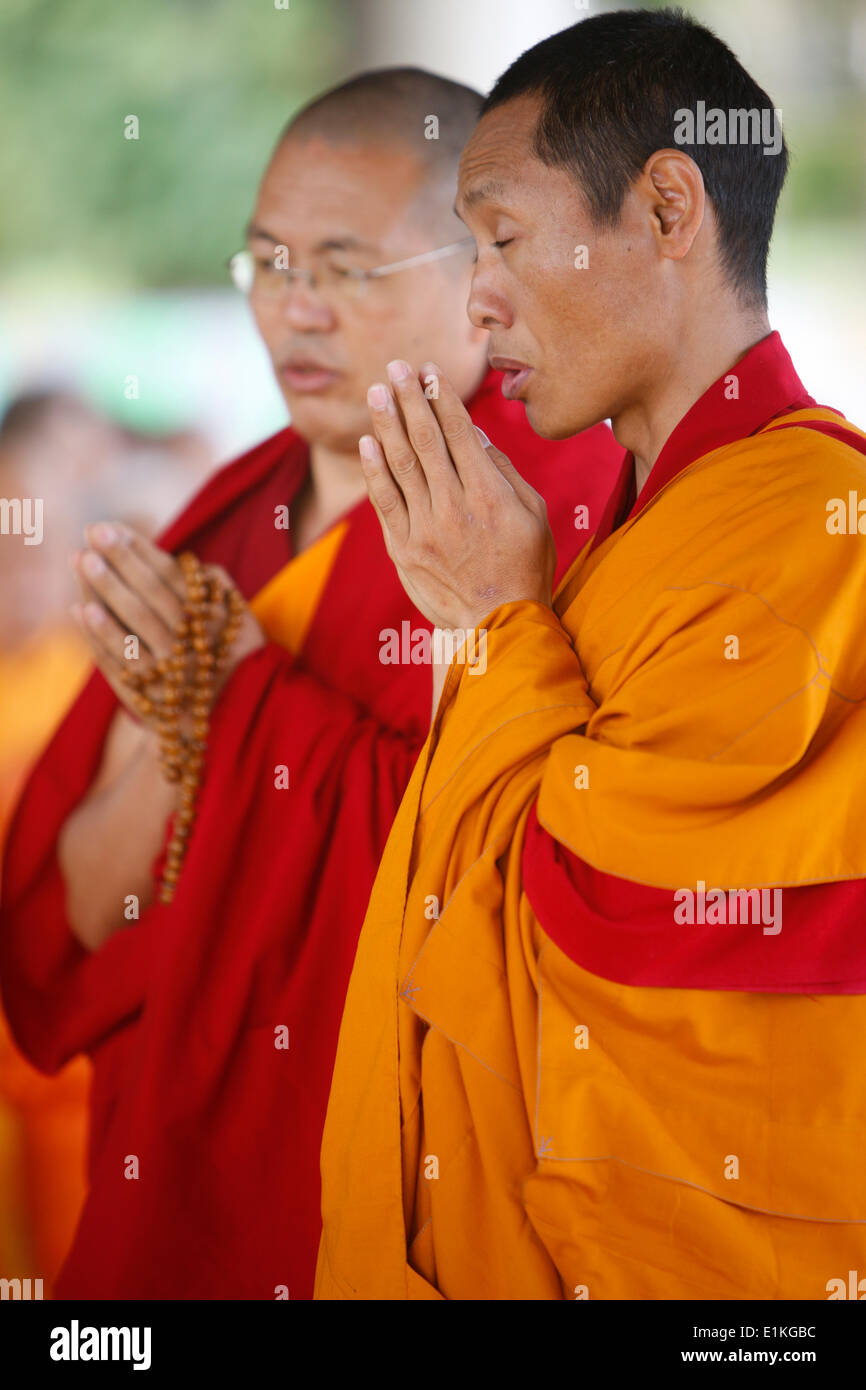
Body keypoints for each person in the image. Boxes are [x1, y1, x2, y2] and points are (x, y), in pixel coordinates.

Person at [0, 67, 621, 1300]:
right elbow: (62, 943)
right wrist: (190, 727)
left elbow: (530, 893)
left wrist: (238, 705)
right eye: (266, 264)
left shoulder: (560, 513)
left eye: (344, 267)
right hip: (177, 1179)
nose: (295, 312)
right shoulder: (224, 520)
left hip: (403, 1205)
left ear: (480, 277)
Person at [316, 12, 866, 1300]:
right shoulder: (638, 533)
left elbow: (604, 921)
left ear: (668, 206)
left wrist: (497, 622)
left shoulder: (808, 526)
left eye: (502, 236)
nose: (477, 297)